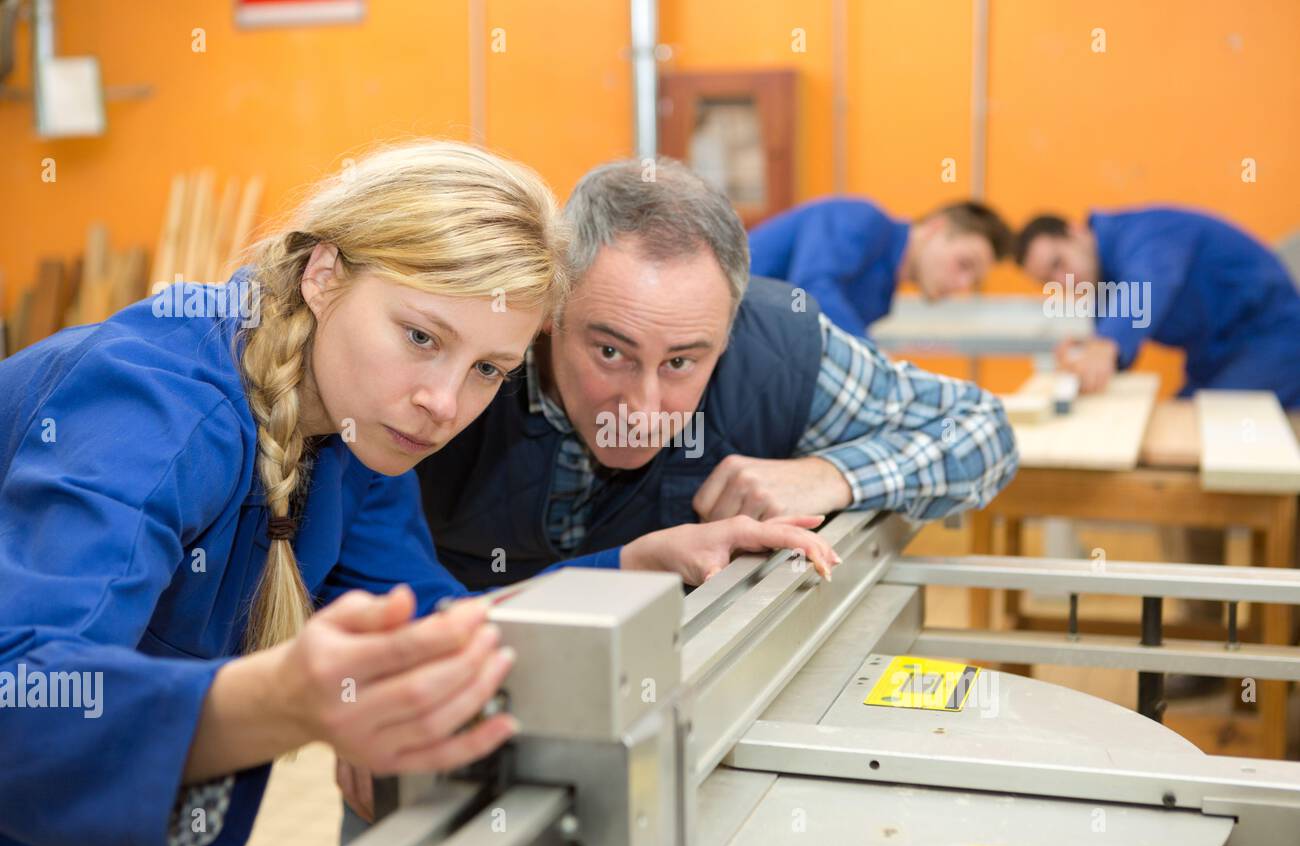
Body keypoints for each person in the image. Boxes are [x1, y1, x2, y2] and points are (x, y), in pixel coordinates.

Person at [0, 141, 838, 846]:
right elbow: (23, 697)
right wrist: (280, 703)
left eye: (487, 370)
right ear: (325, 273)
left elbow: (426, 623)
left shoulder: (360, 440)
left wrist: (627, 565)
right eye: (421, 337)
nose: (444, 404)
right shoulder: (149, 411)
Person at [417, 159, 1019, 592]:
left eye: (681, 362)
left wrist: (831, 474)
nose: (644, 409)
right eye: (610, 352)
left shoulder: (779, 351)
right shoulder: (470, 345)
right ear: (552, 309)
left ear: (731, 327)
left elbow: (983, 431)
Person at [1016, 207, 1300, 404]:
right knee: (1177, 423)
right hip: (1215, 360)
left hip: (1274, 338)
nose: (1062, 282)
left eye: (1058, 263)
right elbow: (1112, 344)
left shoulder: (1145, 233)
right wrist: (1084, 358)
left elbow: (1149, 280)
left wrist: (1104, 345)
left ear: (1076, 232)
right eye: (1048, 280)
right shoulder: (1103, 279)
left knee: (1195, 432)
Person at [746, 197, 1014, 337]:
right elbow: (810, 291)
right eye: (964, 264)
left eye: (973, 281)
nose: (962, 285)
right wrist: (877, 366)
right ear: (935, 228)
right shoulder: (863, 220)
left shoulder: (881, 296)